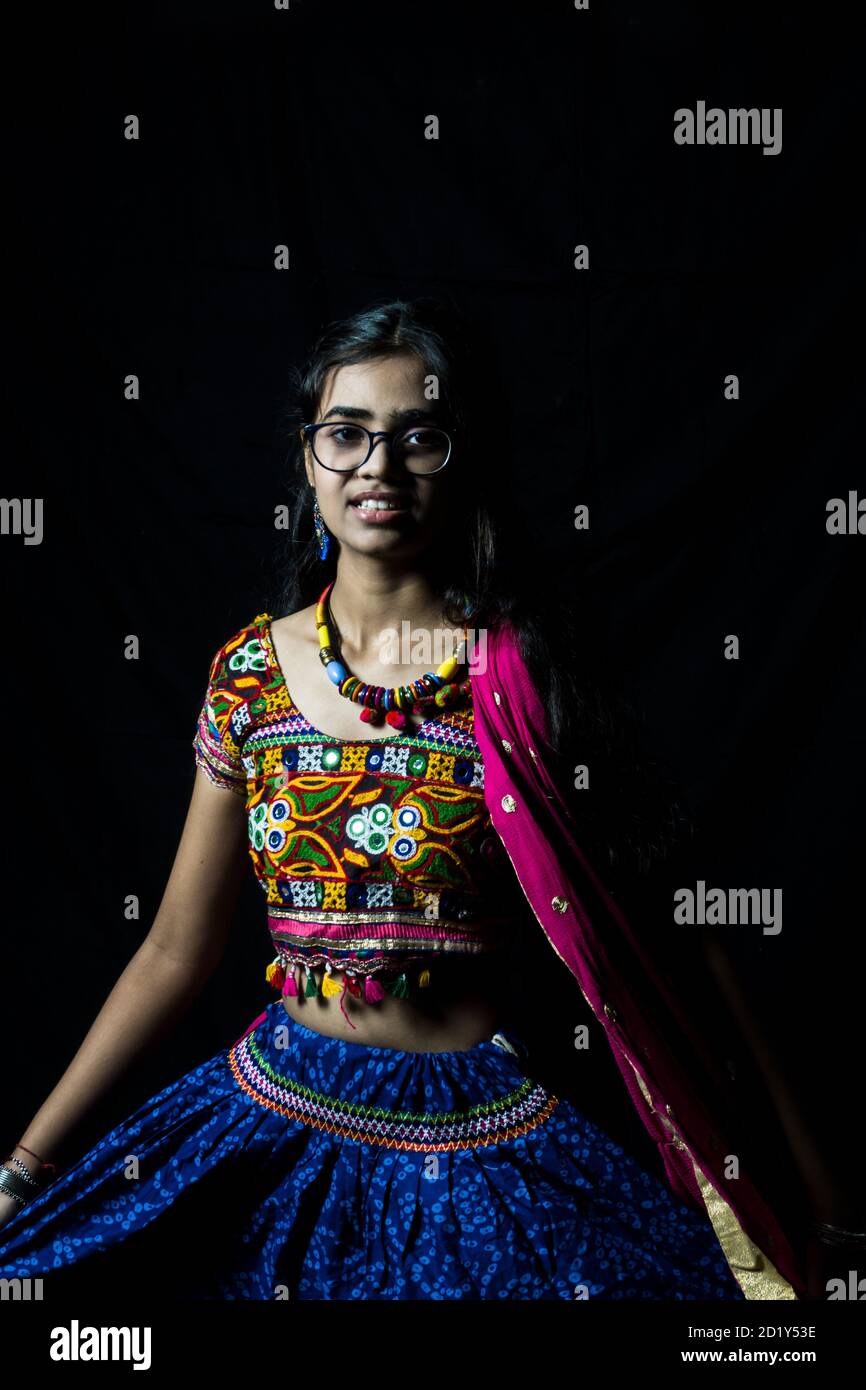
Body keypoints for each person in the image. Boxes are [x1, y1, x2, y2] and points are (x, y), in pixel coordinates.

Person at [0, 298, 788, 1299]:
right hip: (268, 1116)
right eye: (346, 435)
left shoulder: (520, 680)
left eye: (416, 437)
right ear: (306, 459)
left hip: (476, 1138)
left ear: (457, 463)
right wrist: (24, 1169)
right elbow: (171, 950)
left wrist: (799, 1194)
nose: (376, 465)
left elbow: (677, 943)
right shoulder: (248, 674)